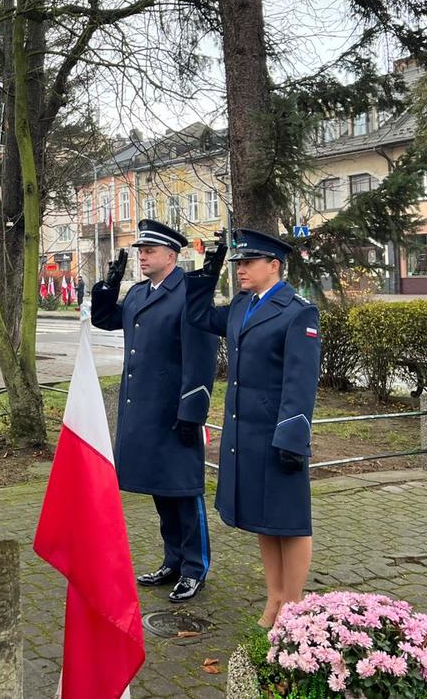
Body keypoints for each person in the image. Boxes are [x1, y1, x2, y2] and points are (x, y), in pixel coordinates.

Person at [184, 228, 321, 628]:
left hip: (278, 434)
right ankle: (274, 598)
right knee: (265, 519)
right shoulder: (243, 306)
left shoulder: (298, 311)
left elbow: (300, 382)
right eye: (238, 263)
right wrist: (207, 269)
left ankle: (292, 608)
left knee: (289, 522)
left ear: (273, 265)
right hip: (245, 435)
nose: (240, 269)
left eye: (248, 263)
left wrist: (293, 436)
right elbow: (197, 315)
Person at [91, 220, 220, 602]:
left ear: (171, 255)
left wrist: (192, 411)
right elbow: (106, 319)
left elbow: (200, 358)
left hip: (174, 412)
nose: (141, 256)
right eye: (139, 251)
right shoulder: (139, 292)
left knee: (184, 491)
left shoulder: (188, 294)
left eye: (148, 251)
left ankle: (195, 568)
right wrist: (108, 285)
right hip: (142, 410)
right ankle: (173, 560)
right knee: (160, 491)